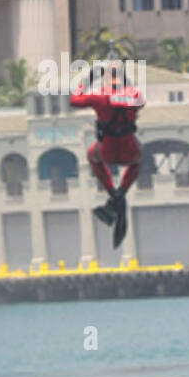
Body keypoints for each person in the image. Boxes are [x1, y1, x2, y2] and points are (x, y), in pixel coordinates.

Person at [69, 70, 144, 247]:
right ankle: (121, 193)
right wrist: (127, 81)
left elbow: (74, 100)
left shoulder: (99, 97)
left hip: (107, 152)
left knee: (91, 156)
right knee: (138, 159)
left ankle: (112, 192)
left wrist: (90, 78)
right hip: (129, 152)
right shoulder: (134, 96)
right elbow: (139, 98)